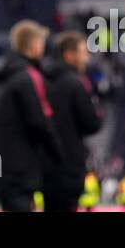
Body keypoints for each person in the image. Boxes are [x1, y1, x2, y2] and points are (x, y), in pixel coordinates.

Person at [0, 21, 63, 212]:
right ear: (34, 45)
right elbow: (40, 121)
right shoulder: (27, 77)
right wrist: (59, 154)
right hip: (20, 168)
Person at [41, 31, 103, 212]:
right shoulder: (76, 83)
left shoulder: (41, 81)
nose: (87, 58)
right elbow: (92, 123)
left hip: (45, 168)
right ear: (69, 55)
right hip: (69, 169)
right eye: (84, 52)